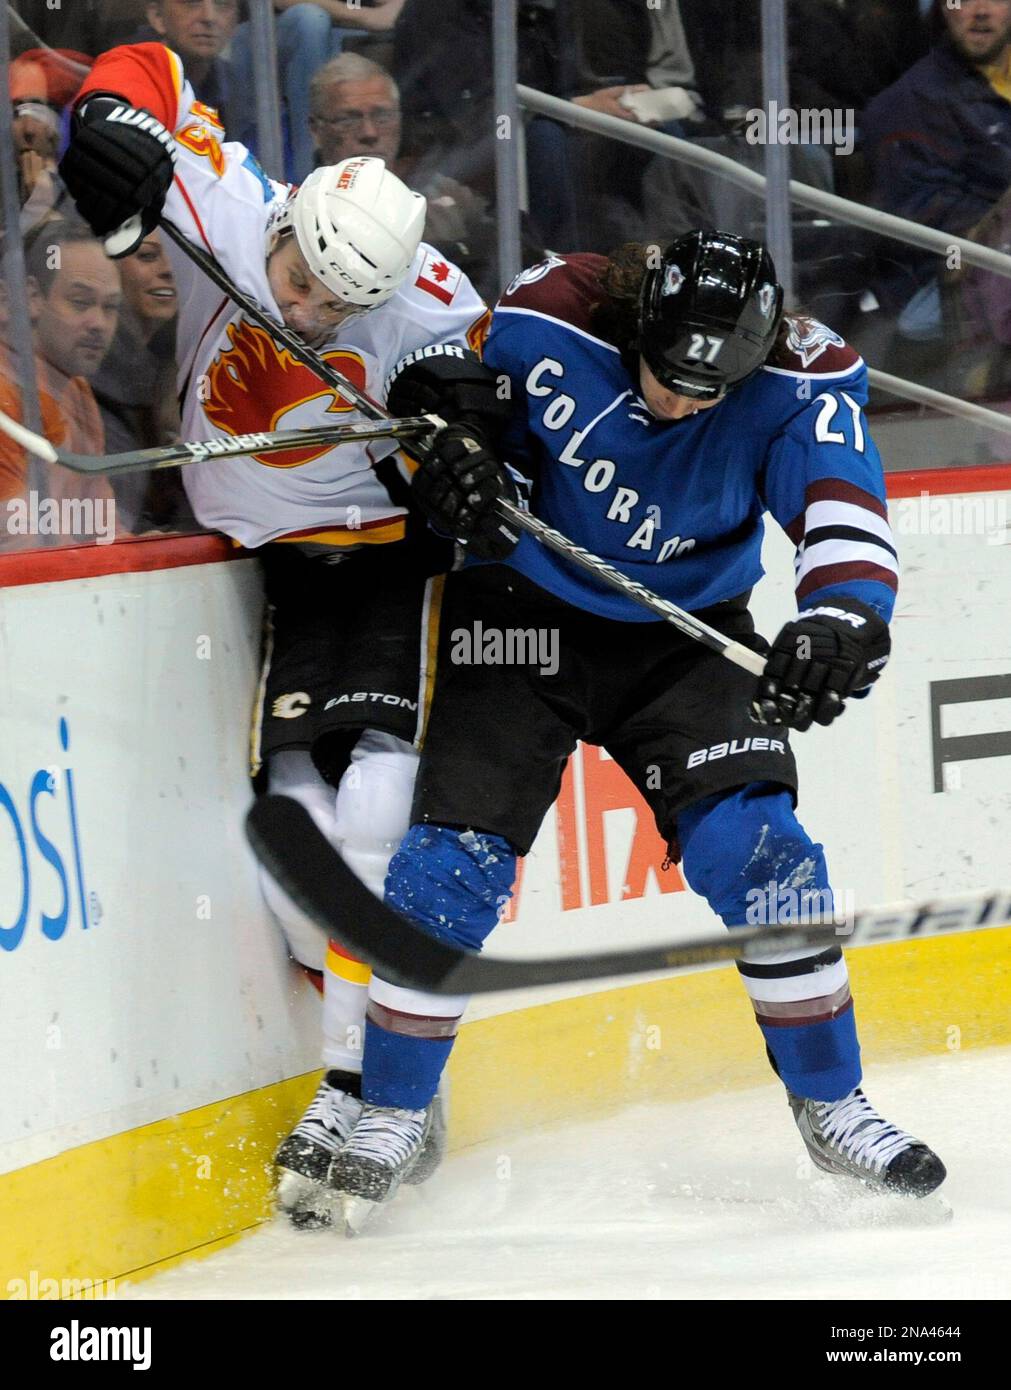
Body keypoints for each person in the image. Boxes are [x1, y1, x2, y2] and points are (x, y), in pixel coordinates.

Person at [322, 232, 947, 1212]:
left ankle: (832, 1103)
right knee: (449, 862)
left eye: (709, 392)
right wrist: (457, 462)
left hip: (685, 635)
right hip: (522, 615)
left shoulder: (804, 376)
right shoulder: (546, 314)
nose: (681, 404)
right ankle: (396, 1108)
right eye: (664, 376)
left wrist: (838, 618)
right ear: (639, 322)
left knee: (766, 856)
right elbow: (446, 388)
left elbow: (841, 507)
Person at [57, 39, 490, 1223]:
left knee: (377, 809)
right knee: (293, 816)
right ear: (288, 220)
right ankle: (371, 1053)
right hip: (285, 573)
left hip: (388, 559)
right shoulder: (229, 202)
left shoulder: (425, 299)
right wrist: (111, 121)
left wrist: (468, 429)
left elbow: (499, 383)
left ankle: (362, 1078)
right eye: (297, 279)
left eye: (335, 306)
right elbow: (146, 68)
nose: (303, 310)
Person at [861, 0, 1011, 318]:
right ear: (945, 8)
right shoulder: (908, 105)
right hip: (940, 289)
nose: (981, 10)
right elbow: (926, 226)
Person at [308, 52, 499, 300]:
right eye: (348, 120)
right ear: (315, 130)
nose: (369, 132)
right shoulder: (303, 212)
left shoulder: (446, 193)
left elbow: (512, 243)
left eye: (382, 116)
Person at [231, 0, 408, 182]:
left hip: (346, 26)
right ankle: (308, 178)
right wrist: (363, 15)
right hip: (274, 27)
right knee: (310, 21)